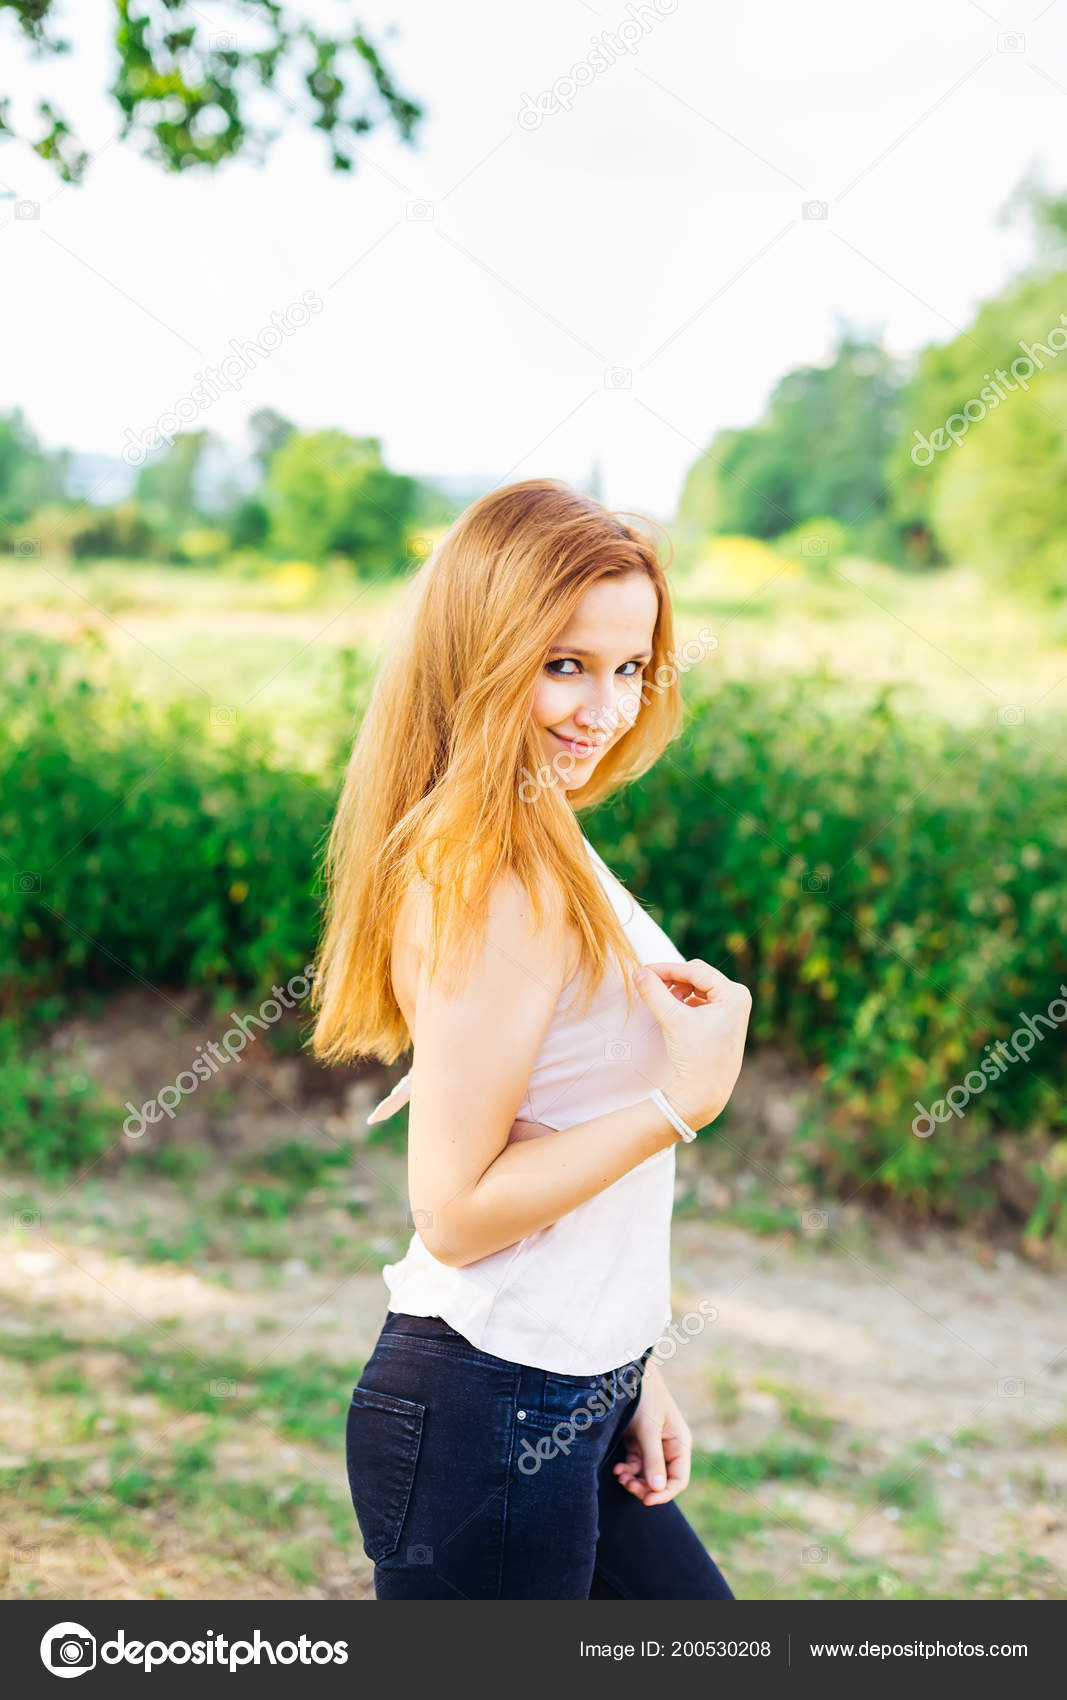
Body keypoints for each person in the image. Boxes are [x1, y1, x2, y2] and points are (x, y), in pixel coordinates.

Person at [308, 478, 752, 1599]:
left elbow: (551, 1137)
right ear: (480, 651)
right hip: (487, 1407)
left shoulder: (540, 834)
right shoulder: (493, 873)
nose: (602, 708)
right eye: (563, 663)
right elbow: (453, 1214)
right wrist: (678, 1105)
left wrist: (627, 1367)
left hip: (568, 1386)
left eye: (628, 667)